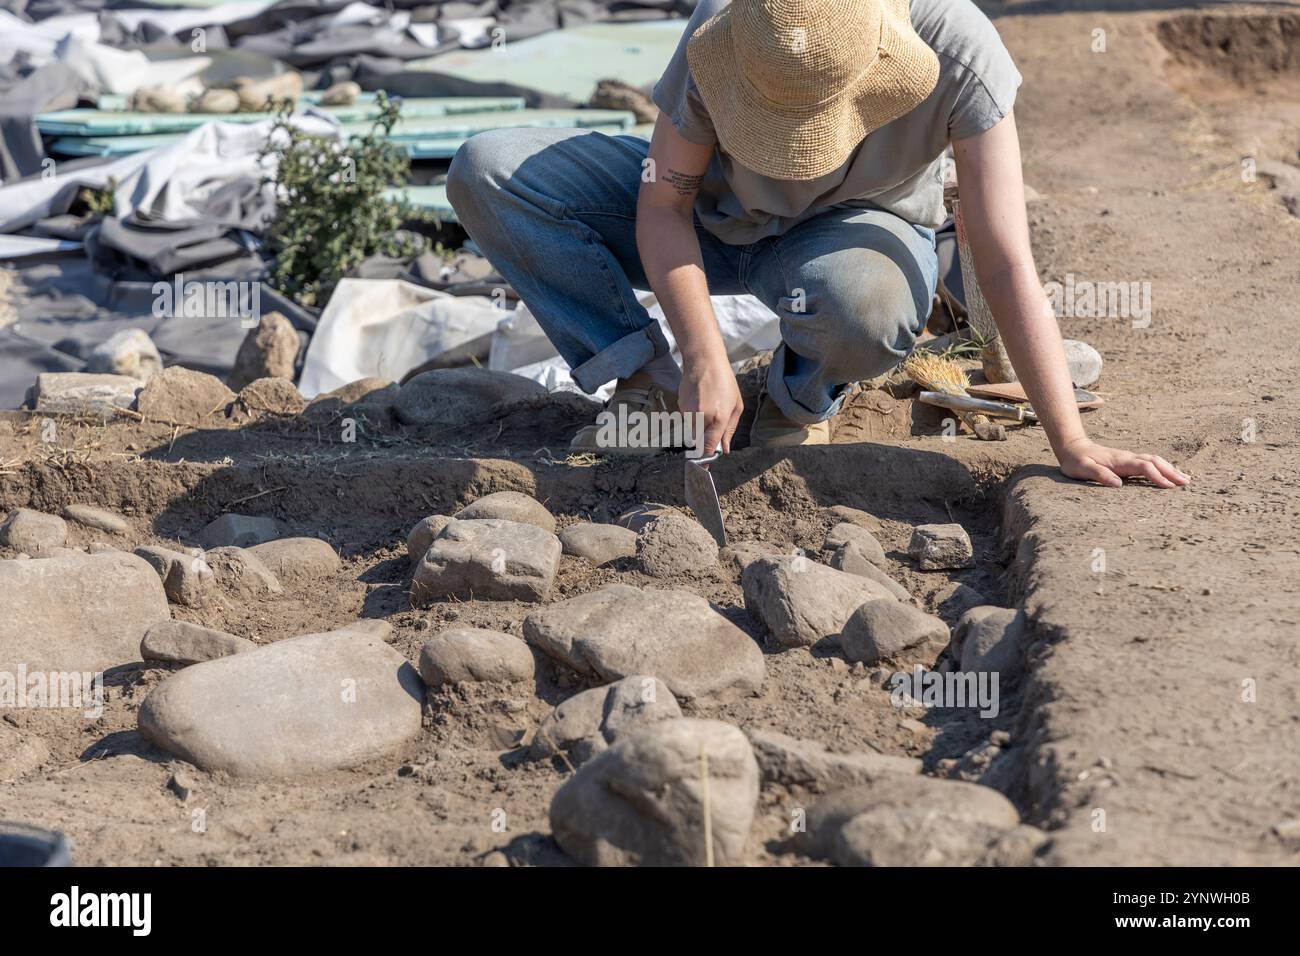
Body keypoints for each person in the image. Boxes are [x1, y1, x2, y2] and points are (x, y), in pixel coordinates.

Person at [447, 0, 1189, 489]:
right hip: (711, 217)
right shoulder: (728, 30)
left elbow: (998, 254)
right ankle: (655, 387)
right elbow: (664, 204)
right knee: (490, 171)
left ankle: (794, 402)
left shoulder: (961, 52)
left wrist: (1069, 441)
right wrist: (699, 359)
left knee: (864, 306)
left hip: (842, 243)